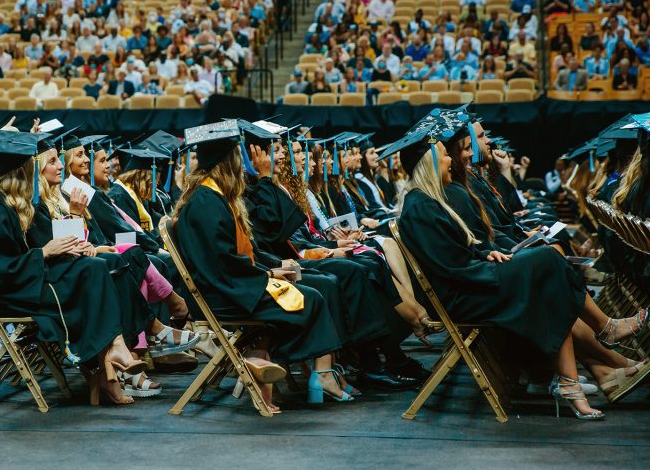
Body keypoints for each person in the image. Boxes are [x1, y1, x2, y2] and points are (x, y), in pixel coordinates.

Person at [394, 120, 646, 420]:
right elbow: (453, 267)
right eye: (444, 154)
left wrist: (490, 253)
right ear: (429, 163)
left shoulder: (428, 200)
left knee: (547, 271)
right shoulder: (420, 206)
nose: (450, 157)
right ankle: (604, 334)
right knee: (546, 262)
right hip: (466, 295)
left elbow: (462, 249)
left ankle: (575, 378)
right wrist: (489, 262)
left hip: (473, 281)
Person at [0, 130, 151, 405]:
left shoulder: (13, 205)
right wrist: (44, 253)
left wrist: (66, 248)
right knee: (93, 271)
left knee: (104, 264)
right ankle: (111, 359)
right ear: (22, 172)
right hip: (10, 293)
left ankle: (109, 363)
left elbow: (32, 249)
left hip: (26, 278)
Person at [172, 121, 350, 411]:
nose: (243, 165)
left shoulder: (214, 196)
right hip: (225, 293)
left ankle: (262, 356)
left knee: (310, 288)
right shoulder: (207, 202)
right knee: (311, 298)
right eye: (237, 158)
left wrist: (271, 269)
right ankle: (313, 371)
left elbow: (236, 254)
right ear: (227, 162)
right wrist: (267, 273)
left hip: (232, 284)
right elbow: (223, 262)